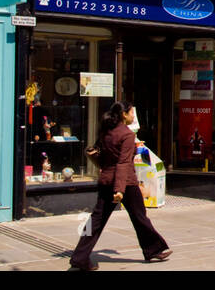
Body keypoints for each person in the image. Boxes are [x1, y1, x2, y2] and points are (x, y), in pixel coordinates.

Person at [69, 101, 171, 270]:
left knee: (95, 220)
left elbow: (104, 156)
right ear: (124, 114)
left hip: (106, 180)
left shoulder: (107, 131)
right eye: (132, 113)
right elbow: (123, 163)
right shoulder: (127, 135)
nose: (133, 116)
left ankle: (79, 256)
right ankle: (153, 249)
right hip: (126, 183)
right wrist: (119, 189)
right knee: (139, 216)